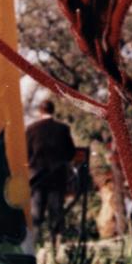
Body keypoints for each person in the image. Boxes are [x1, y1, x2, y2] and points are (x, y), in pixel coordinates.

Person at [25, 99, 76, 240]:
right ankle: (57, 245)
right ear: (53, 111)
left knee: (36, 213)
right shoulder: (63, 129)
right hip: (57, 176)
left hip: (37, 177)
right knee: (56, 212)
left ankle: (34, 245)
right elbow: (70, 153)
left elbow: (25, 153)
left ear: (40, 112)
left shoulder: (31, 129)